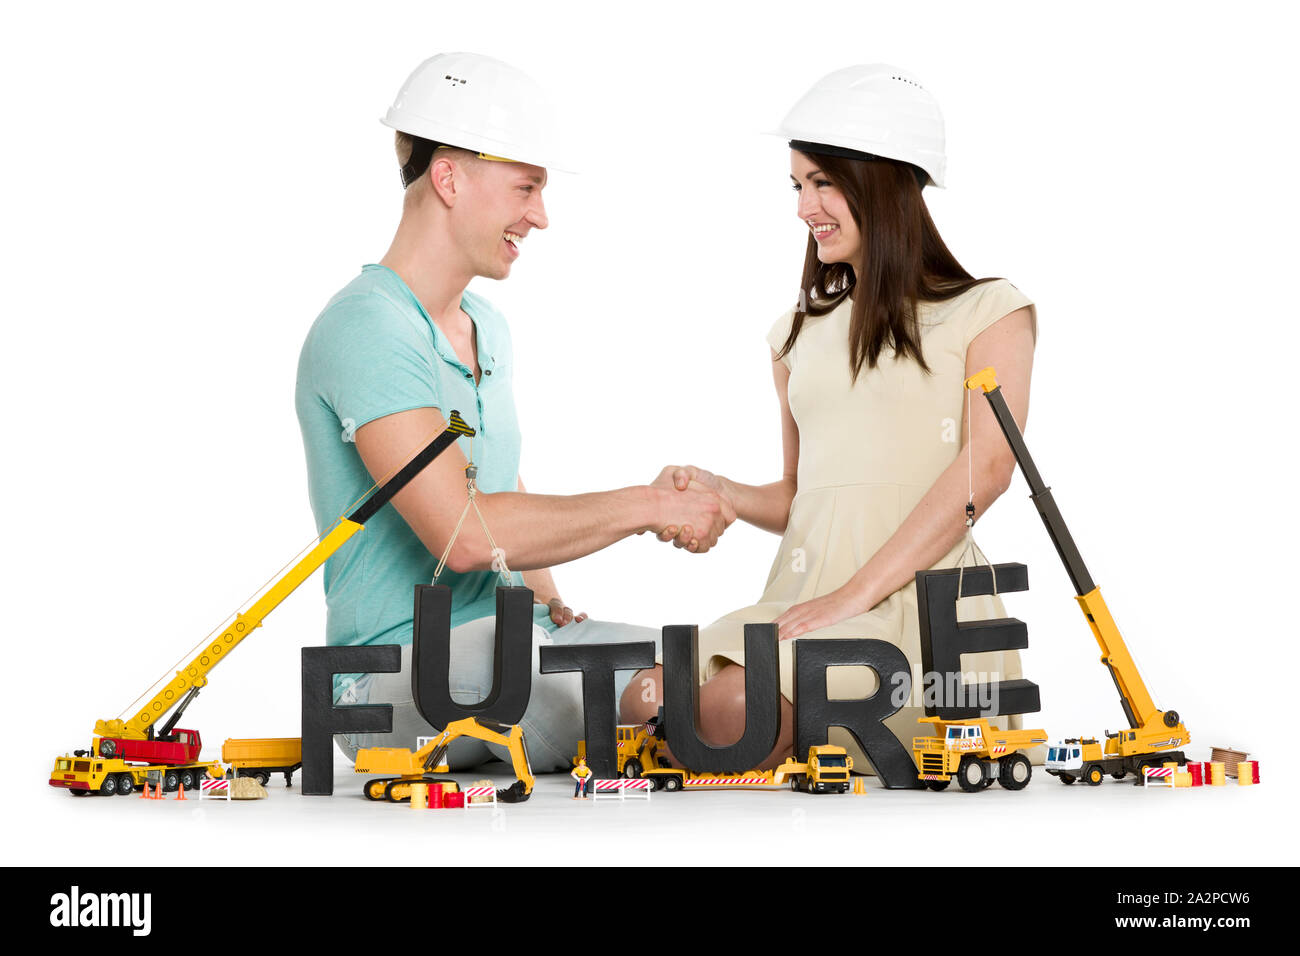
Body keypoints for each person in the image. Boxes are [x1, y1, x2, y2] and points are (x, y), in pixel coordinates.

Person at [295, 53, 732, 774]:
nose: (541, 216)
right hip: (394, 676)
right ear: (449, 178)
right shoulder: (368, 329)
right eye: (526, 187)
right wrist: (649, 505)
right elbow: (465, 534)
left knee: (694, 670)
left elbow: (499, 481)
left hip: (506, 638)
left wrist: (549, 596)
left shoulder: (484, 328)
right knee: (601, 684)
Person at [622, 65, 1037, 772]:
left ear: (884, 182)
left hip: (912, 607)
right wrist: (723, 493)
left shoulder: (988, 312)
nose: (802, 207)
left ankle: (748, 757)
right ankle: (746, 759)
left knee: (723, 715)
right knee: (640, 698)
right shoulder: (794, 335)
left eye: (822, 182)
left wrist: (853, 597)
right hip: (802, 598)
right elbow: (802, 494)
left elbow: (986, 470)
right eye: (797, 185)